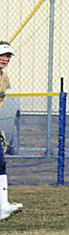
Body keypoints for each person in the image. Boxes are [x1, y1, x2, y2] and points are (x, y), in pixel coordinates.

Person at [0, 41, 22, 221]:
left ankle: (2, 206)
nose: (5, 59)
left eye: (7, 56)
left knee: (1, 163)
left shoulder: (4, 77)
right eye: (2, 55)